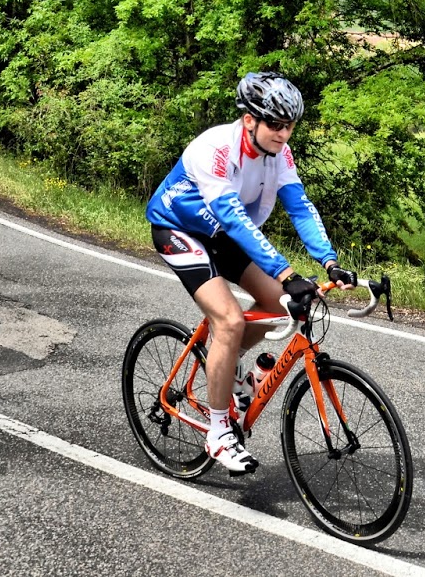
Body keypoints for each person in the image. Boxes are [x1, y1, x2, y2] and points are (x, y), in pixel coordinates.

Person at [145, 71, 355, 474]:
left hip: (221, 232)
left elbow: (299, 206)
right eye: (275, 124)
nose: (283, 133)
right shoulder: (216, 148)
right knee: (227, 320)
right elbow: (236, 220)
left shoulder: (280, 155)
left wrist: (329, 261)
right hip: (178, 227)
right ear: (249, 120)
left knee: (283, 307)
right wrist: (286, 271)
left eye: (290, 125)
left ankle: (227, 366)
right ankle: (219, 431)